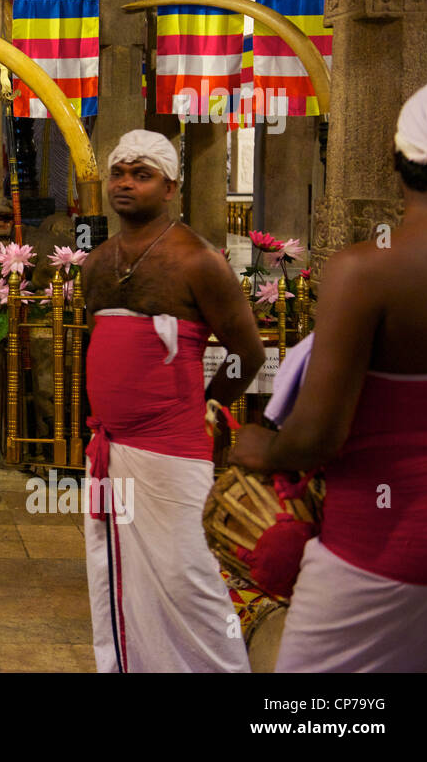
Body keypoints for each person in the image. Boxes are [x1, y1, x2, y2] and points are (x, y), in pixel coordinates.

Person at [233, 82, 427, 672]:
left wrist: (263, 448)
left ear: (396, 160)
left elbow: (320, 435)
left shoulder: (369, 270)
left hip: (380, 547)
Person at [79, 129, 265, 672]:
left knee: (190, 578)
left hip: (175, 448)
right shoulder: (96, 264)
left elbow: (247, 354)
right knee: (116, 577)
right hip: (109, 450)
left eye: (142, 175)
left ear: (170, 188)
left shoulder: (198, 261)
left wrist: (210, 406)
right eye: (119, 172)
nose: (126, 184)